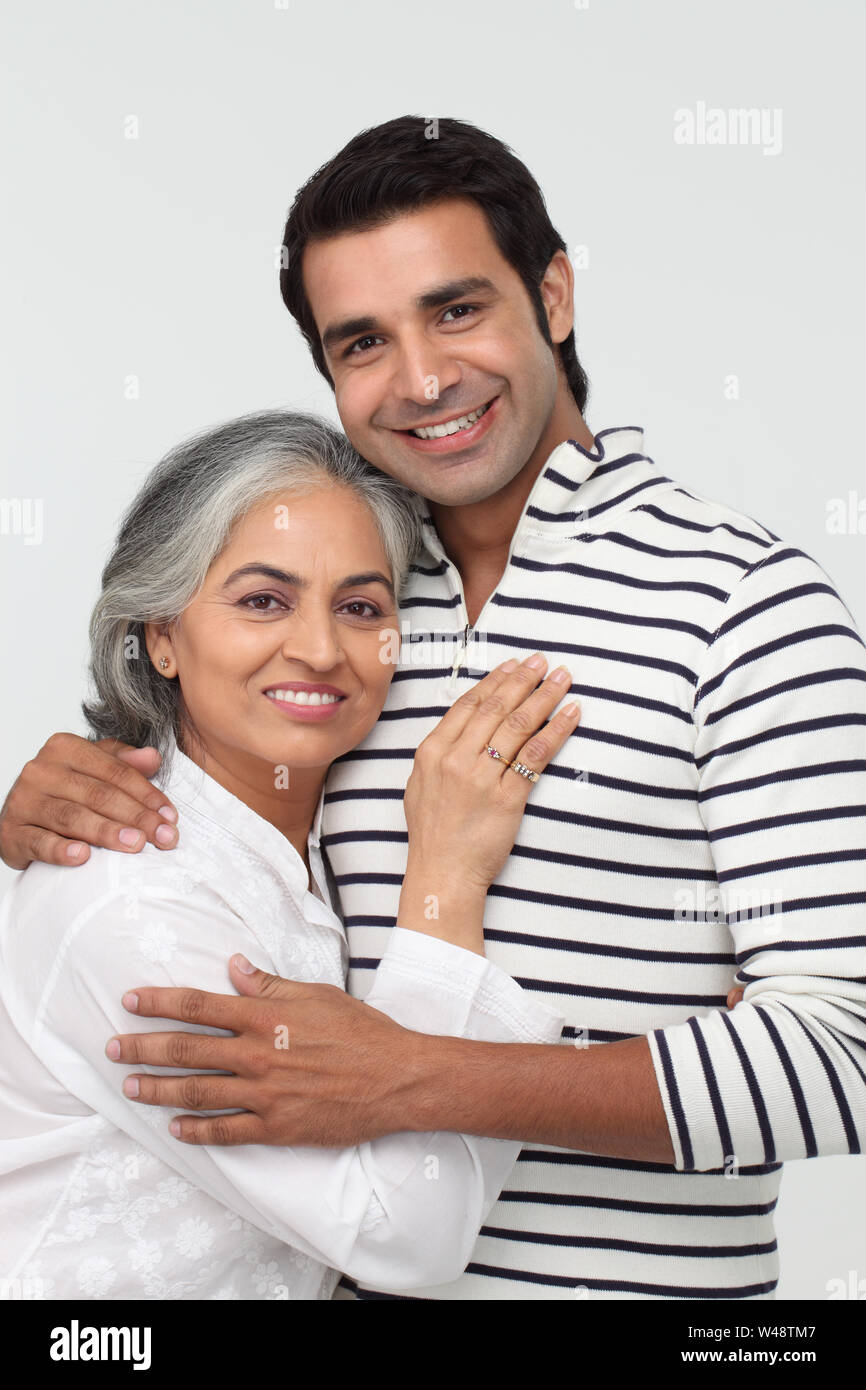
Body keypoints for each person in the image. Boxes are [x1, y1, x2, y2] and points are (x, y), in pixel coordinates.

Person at [2, 117, 865, 1302]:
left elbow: (840, 1059)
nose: (419, 379)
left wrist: (415, 1075)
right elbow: (201, 857)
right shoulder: (348, 615)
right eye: (362, 340)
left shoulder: (741, 606)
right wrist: (48, 801)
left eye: (455, 310)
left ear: (552, 295)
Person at [0, 409, 577, 1300]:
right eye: (262, 599)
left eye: (359, 607)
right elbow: (402, 1238)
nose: (318, 648)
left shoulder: (310, 855)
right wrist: (447, 883)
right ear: (160, 635)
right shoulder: (137, 903)